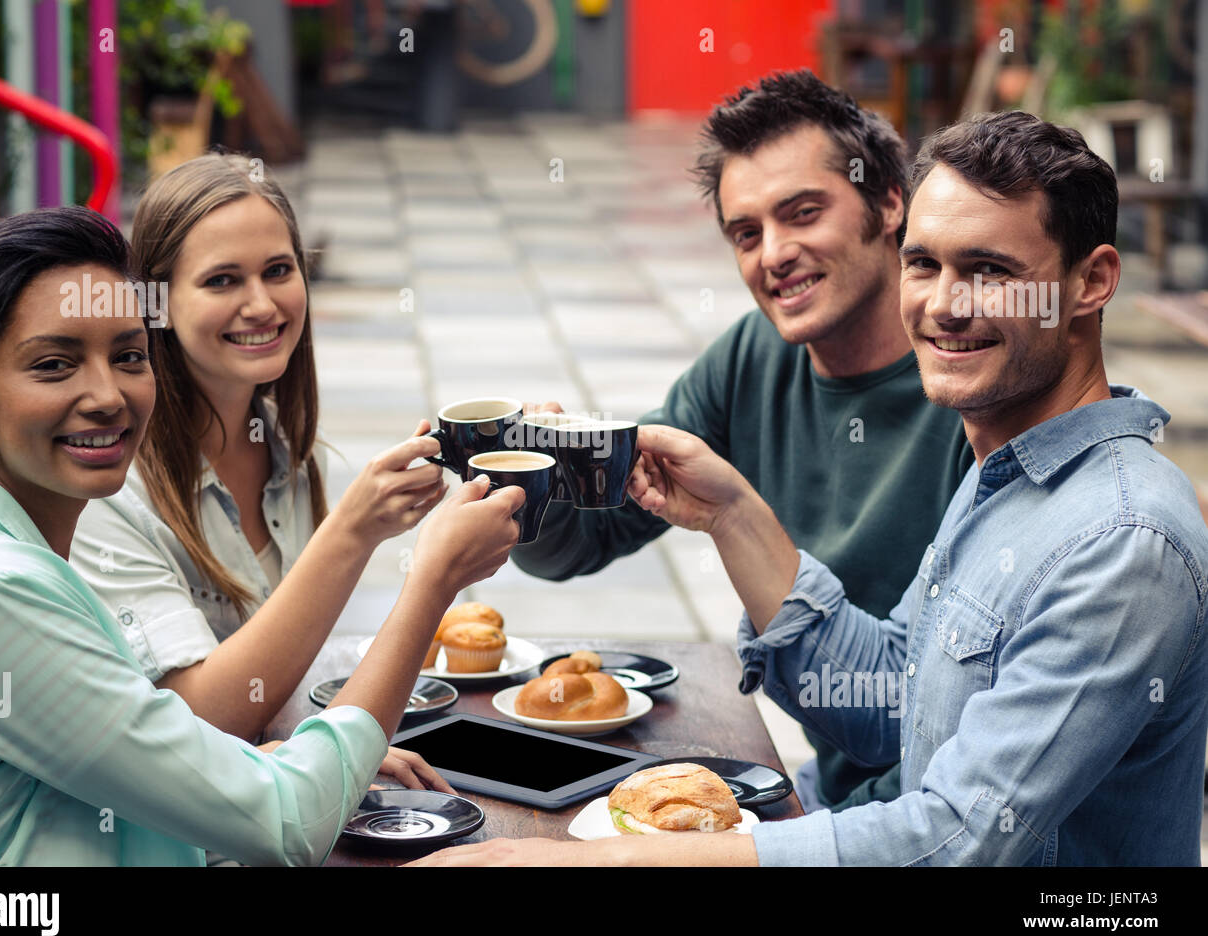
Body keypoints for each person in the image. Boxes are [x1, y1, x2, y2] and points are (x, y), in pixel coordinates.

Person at [414, 111, 1208, 866]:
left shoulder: (1121, 542)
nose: (941, 304)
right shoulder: (1009, 467)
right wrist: (730, 513)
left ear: (1092, 281)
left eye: (990, 271)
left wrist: (617, 856)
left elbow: (958, 840)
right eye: (924, 265)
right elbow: (892, 704)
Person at [0, 206, 523, 865]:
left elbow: (106, 755)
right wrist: (430, 581)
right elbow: (283, 824)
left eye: (128, 357)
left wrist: (260, 761)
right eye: (55, 364)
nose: (108, 395)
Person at [515, 70, 973, 812]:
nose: (774, 254)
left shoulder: (968, 389)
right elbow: (579, 546)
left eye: (802, 214)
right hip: (836, 792)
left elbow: (937, 728)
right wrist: (532, 479)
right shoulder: (753, 357)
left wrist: (792, 839)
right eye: (747, 233)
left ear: (892, 202)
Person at [69, 154, 448, 790]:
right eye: (222, 281)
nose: (261, 304)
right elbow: (195, 723)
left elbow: (262, 701)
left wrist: (323, 746)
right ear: (157, 303)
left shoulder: (297, 459)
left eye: (278, 270)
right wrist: (367, 541)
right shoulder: (110, 488)